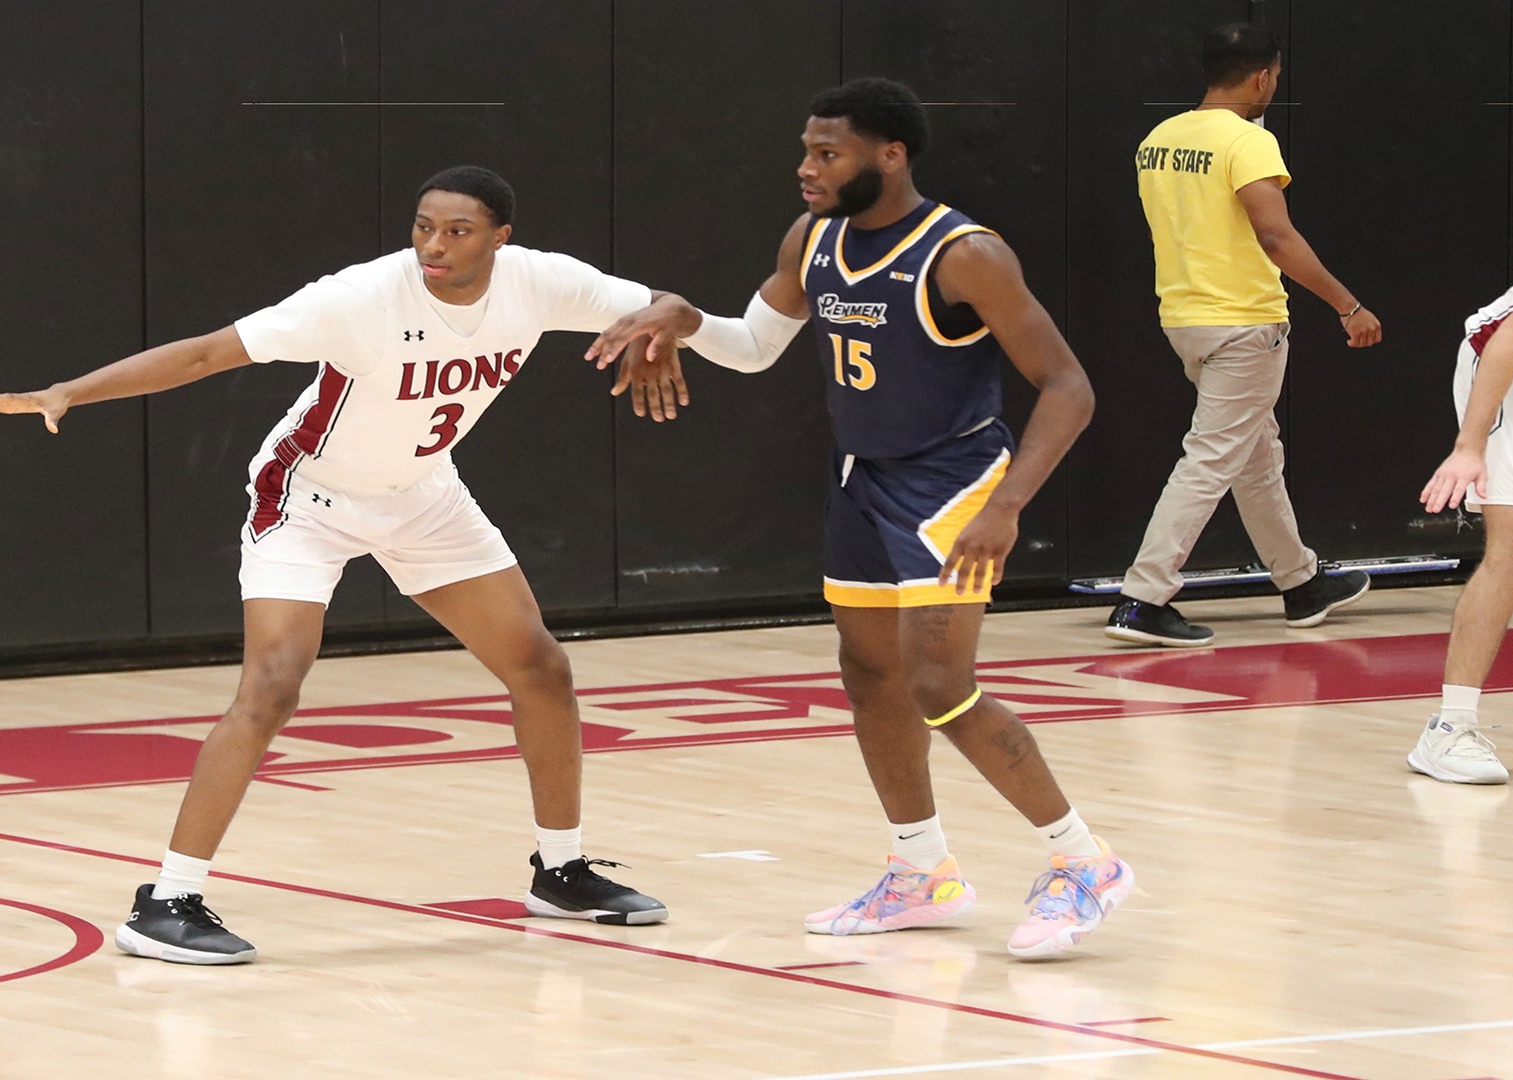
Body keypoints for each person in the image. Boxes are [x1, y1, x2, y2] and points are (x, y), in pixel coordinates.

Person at [0, 166, 669, 965]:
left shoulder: (538, 282)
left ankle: (561, 869)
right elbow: (204, 354)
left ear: (500, 239)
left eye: (457, 231)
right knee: (271, 687)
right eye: (423, 226)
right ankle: (165, 901)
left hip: (423, 494)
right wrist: (68, 391)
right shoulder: (358, 298)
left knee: (541, 668)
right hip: (308, 500)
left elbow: (667, 307)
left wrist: (668, 332)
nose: (434, 245)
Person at [588, 78, 1132, 959]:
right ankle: (920, 871)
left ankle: (1084, 860)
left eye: (827, 153)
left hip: (952, 484)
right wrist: (686, 320)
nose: (806, 168)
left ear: (891, 155)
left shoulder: (965, 253)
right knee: (870, 674)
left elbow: (1069, 386)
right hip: (861, 479)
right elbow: (754, 347)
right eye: (806, 151)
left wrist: (1007, 506)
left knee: (938, 684)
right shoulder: (812, 238)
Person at [1104, 22, 1381, 648]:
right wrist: (1348, 304)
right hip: (1243, 321)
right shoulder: (1249, 141)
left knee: (1255, 458)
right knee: (1210, 459)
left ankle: (1301, 583)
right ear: (1261, 77)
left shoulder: (1158, 139)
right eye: (1275, 78)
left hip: (1184, 318)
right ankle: (1143, 597)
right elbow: (1275, 235)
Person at [1412, 289, 1513, 784]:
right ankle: (1449, 729)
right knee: (1510, 552)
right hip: (1500, 364)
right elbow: (1508, 341)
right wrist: (1469, 447)